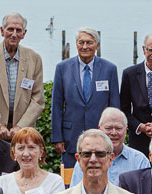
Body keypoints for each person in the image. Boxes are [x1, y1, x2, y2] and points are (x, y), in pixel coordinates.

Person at [51, 27, 120, 167]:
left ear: (97, 45)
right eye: (81, 42)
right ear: (76, 44)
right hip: (71, 138)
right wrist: (57, 138)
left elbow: (114, 107)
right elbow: (56, 105)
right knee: (70, 181)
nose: (85, 47)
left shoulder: (109, 69)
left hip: (101, 137)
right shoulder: (62, 68)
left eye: (89, 42)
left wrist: (113, 135)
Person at [0, 13, 45, 139]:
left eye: (18, 30)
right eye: (10, 29)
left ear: (24, 33)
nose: (14, 34)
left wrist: (20, 127)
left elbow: (38, 100)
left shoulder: (34, 59)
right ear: (2, 31)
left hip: (24, 133)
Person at [69, 108, 150, 187]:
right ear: (99, 129)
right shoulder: (87, 159)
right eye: (108, 128)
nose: (114, 133)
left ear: (126, 130)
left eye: (118, 128)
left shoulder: (139, 161)